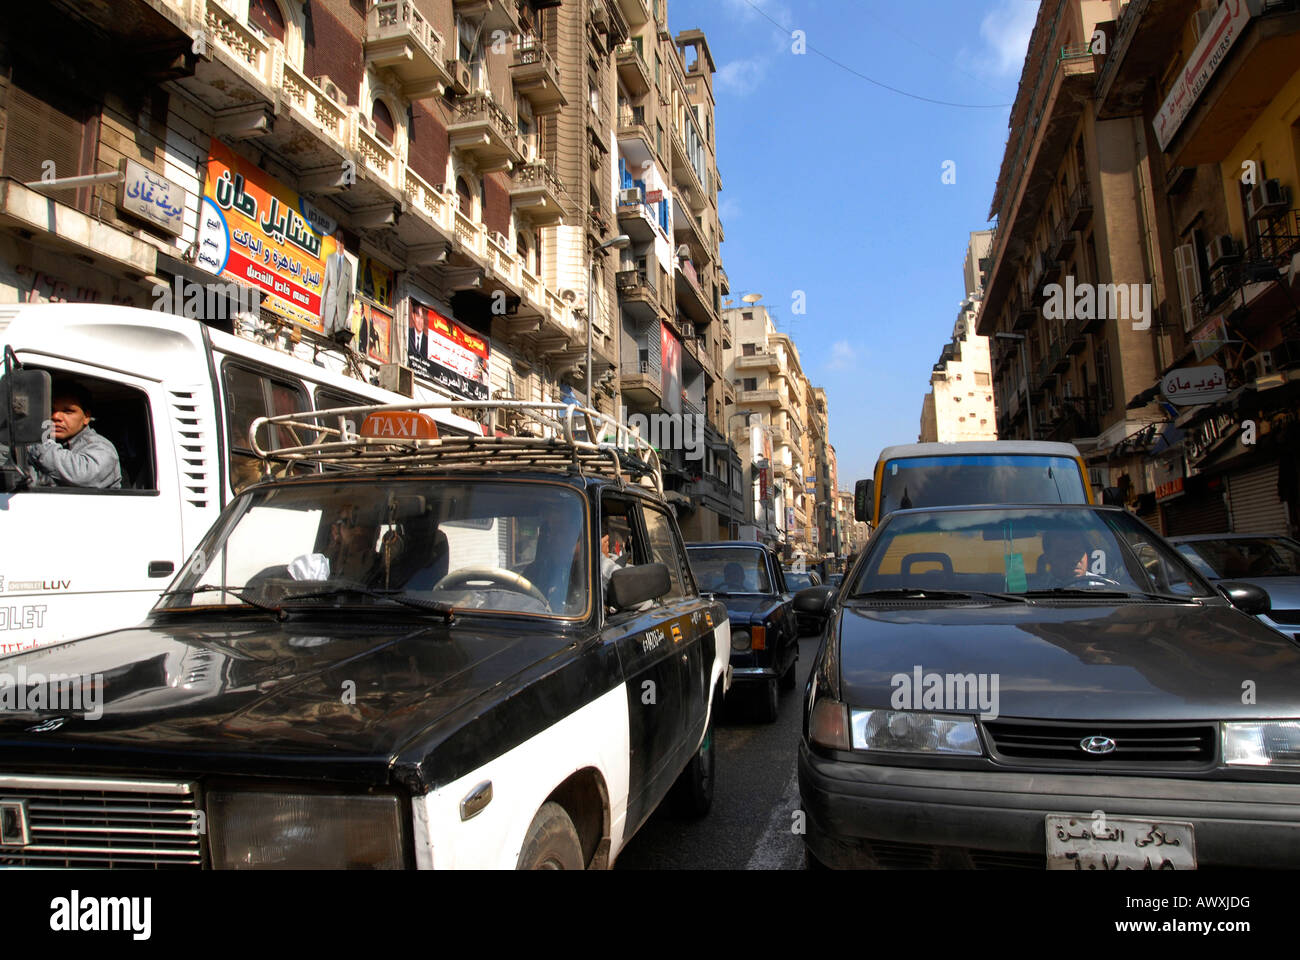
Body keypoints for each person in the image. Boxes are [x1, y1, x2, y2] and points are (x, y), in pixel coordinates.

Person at [23, 382, 121, 489]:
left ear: (86, 417)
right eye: (52, 410)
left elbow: (81, 475)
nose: (55, 416)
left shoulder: (101, 447)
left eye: (68, 411)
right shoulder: (48, 443)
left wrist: (37, 442)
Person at [320, 228, 355, 343]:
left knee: (338, 346)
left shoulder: (348, 265)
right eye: (337, 239)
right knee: (324, 340)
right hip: (329, 308)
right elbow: (325, 286)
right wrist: (322, 312)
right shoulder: (330, 259)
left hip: (341, 313)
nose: (339, 242)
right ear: (336, 241)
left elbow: (350, 294)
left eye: (341, 239)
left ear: (344, 242)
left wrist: (349, 317)